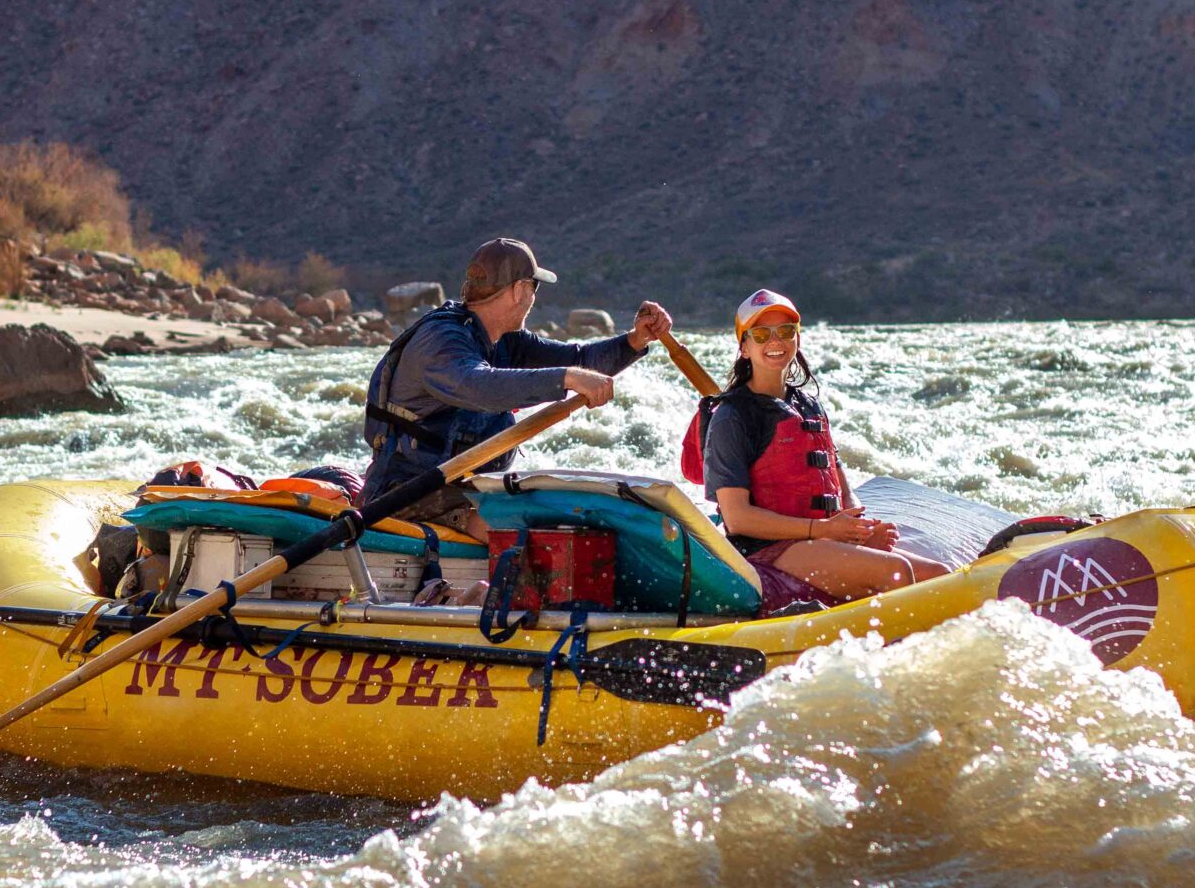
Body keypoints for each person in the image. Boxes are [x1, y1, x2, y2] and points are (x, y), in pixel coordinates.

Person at [361, 237, 672, 538]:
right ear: (519, 290)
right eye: (534, 288)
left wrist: (636, 340)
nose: (534, 299)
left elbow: (582, 359)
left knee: (563, 512)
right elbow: (476, 385)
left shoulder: (505, 338)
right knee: (518, 528)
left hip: (467, 488)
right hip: (403, 495)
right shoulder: (441, 340)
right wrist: (567, 378)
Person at [688, 289, 946, 610]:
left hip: (822, 537)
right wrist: (825, 530)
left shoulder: (809, 406)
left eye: (785, 331)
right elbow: (737, 518)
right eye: (761, 334)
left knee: (938, 574)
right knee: (895, 571)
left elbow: (842, 489)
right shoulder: (732, 416)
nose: (775, 341)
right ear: (744, 347)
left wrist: (859, 533)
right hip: (767, 548)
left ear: (797, 339)